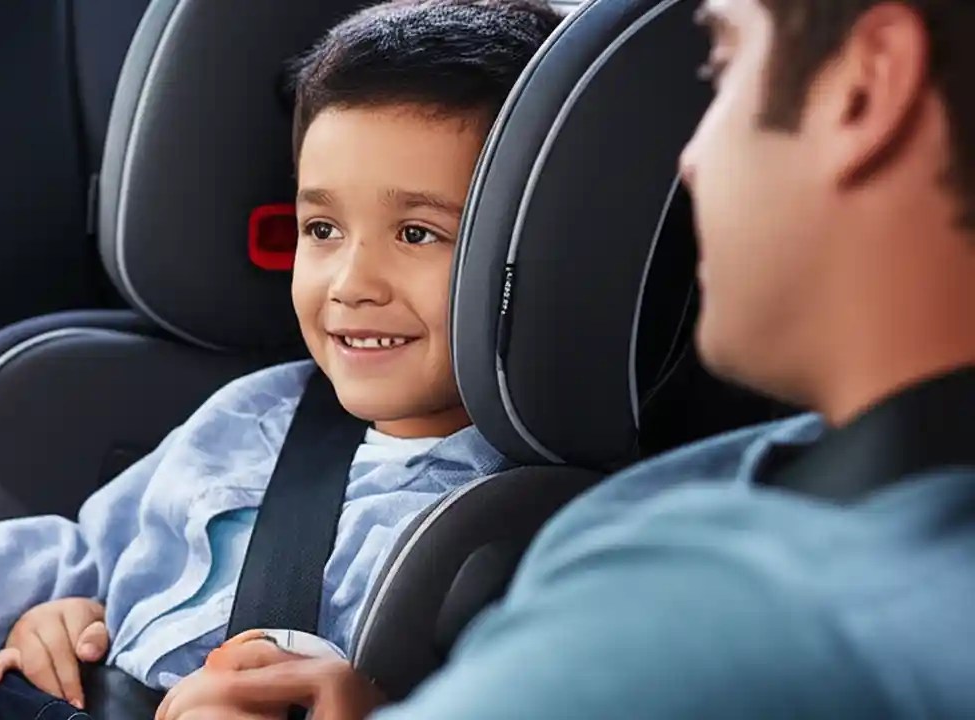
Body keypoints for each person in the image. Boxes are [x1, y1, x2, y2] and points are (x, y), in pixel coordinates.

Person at [0, 1, 565, 717]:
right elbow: (83, 558)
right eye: (322, 229)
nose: (351, 282)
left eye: (418, 233)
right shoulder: (258, 417)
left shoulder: (543, 532)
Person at [151, 0, 975, 718]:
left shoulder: (718, 618)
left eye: (723, 70)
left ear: (867, 88)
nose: (685, 164)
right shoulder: (762, 508)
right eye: (321, 229)